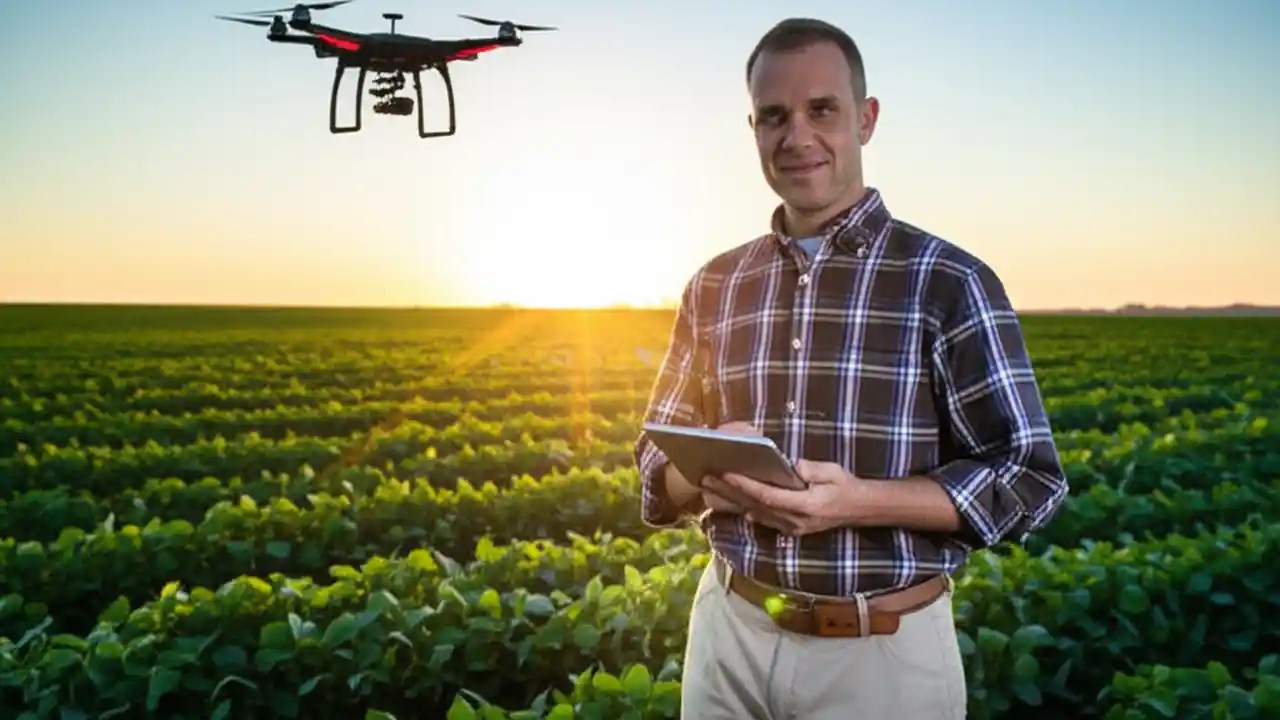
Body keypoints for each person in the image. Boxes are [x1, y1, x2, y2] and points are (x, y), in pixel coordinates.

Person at [632, 16, 1069, 720]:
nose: (795, 136)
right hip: (728, 634)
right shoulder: (715, 284)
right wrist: (707, 472)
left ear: (865, 120)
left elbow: (1029, 480)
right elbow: (655, 465)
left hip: (881, 657)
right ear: (753, 129)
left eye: (821, 110)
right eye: (773, 116)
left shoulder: (947, 280)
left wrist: (860, 501)